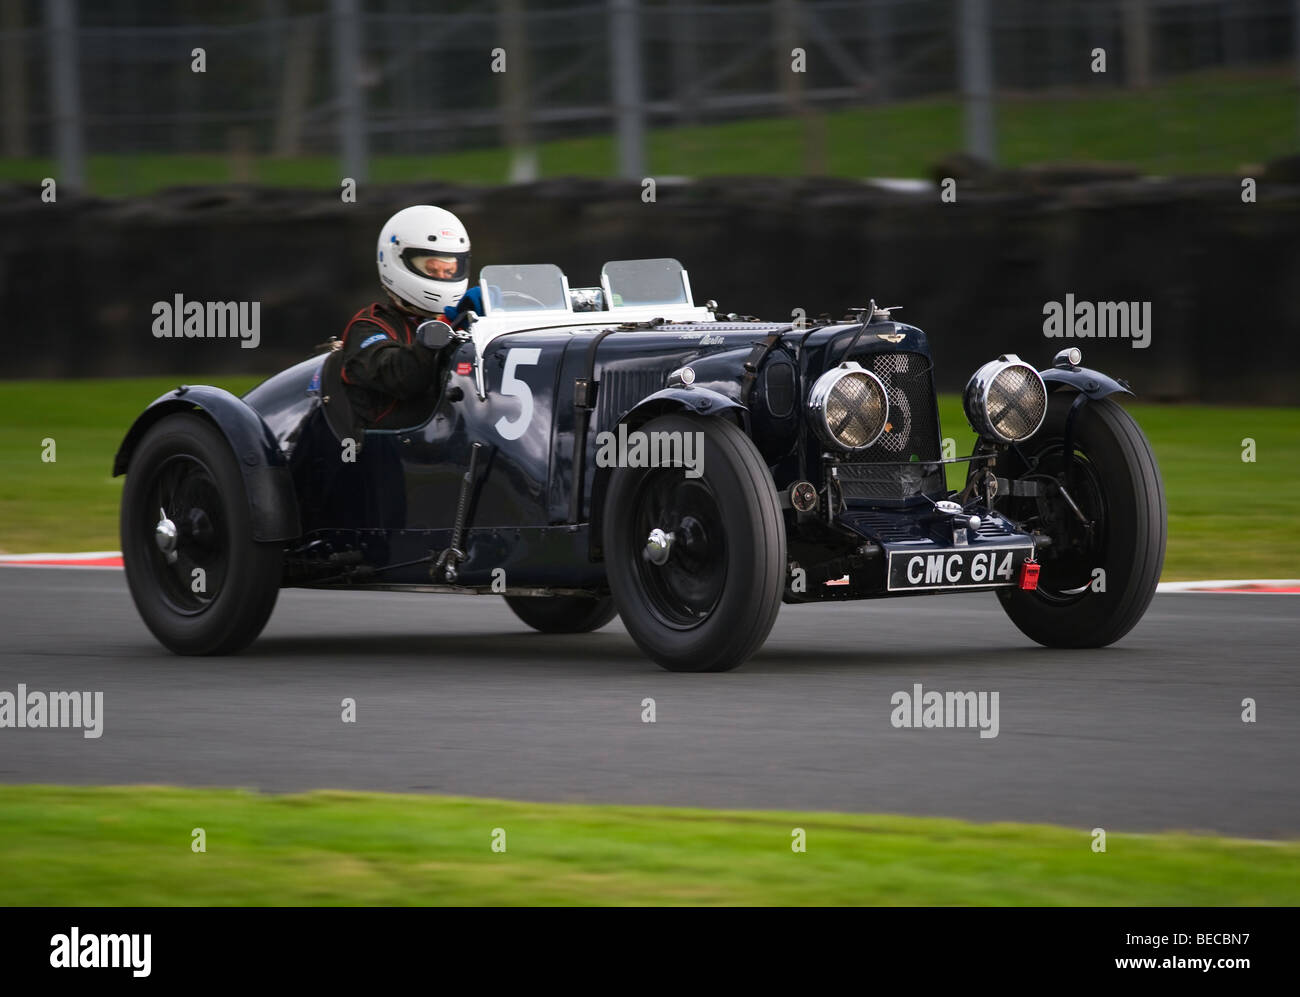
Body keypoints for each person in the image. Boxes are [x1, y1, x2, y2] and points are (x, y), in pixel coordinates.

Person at [339, 205, 484, 430]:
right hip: (390, 454)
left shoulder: (468, 320)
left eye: (449, 271)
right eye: (432, 269)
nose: (442, 278)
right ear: (396, 260)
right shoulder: (369, 326)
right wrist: (444, 327)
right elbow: (401, 377)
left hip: (461, 439)